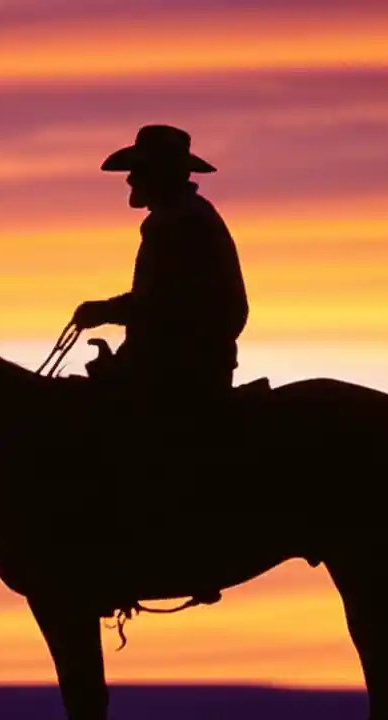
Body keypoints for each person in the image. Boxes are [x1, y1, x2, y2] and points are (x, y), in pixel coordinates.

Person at [71, 126, 248, 607]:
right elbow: (161, 304)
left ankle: (154, 549)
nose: (130, 182)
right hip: (178, 358)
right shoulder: (182, 219)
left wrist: (105, 311)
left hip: (183, 366)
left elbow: (162, 304)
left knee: (120, 439)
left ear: (158, 176)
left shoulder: (179, 225)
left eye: (138, 173)